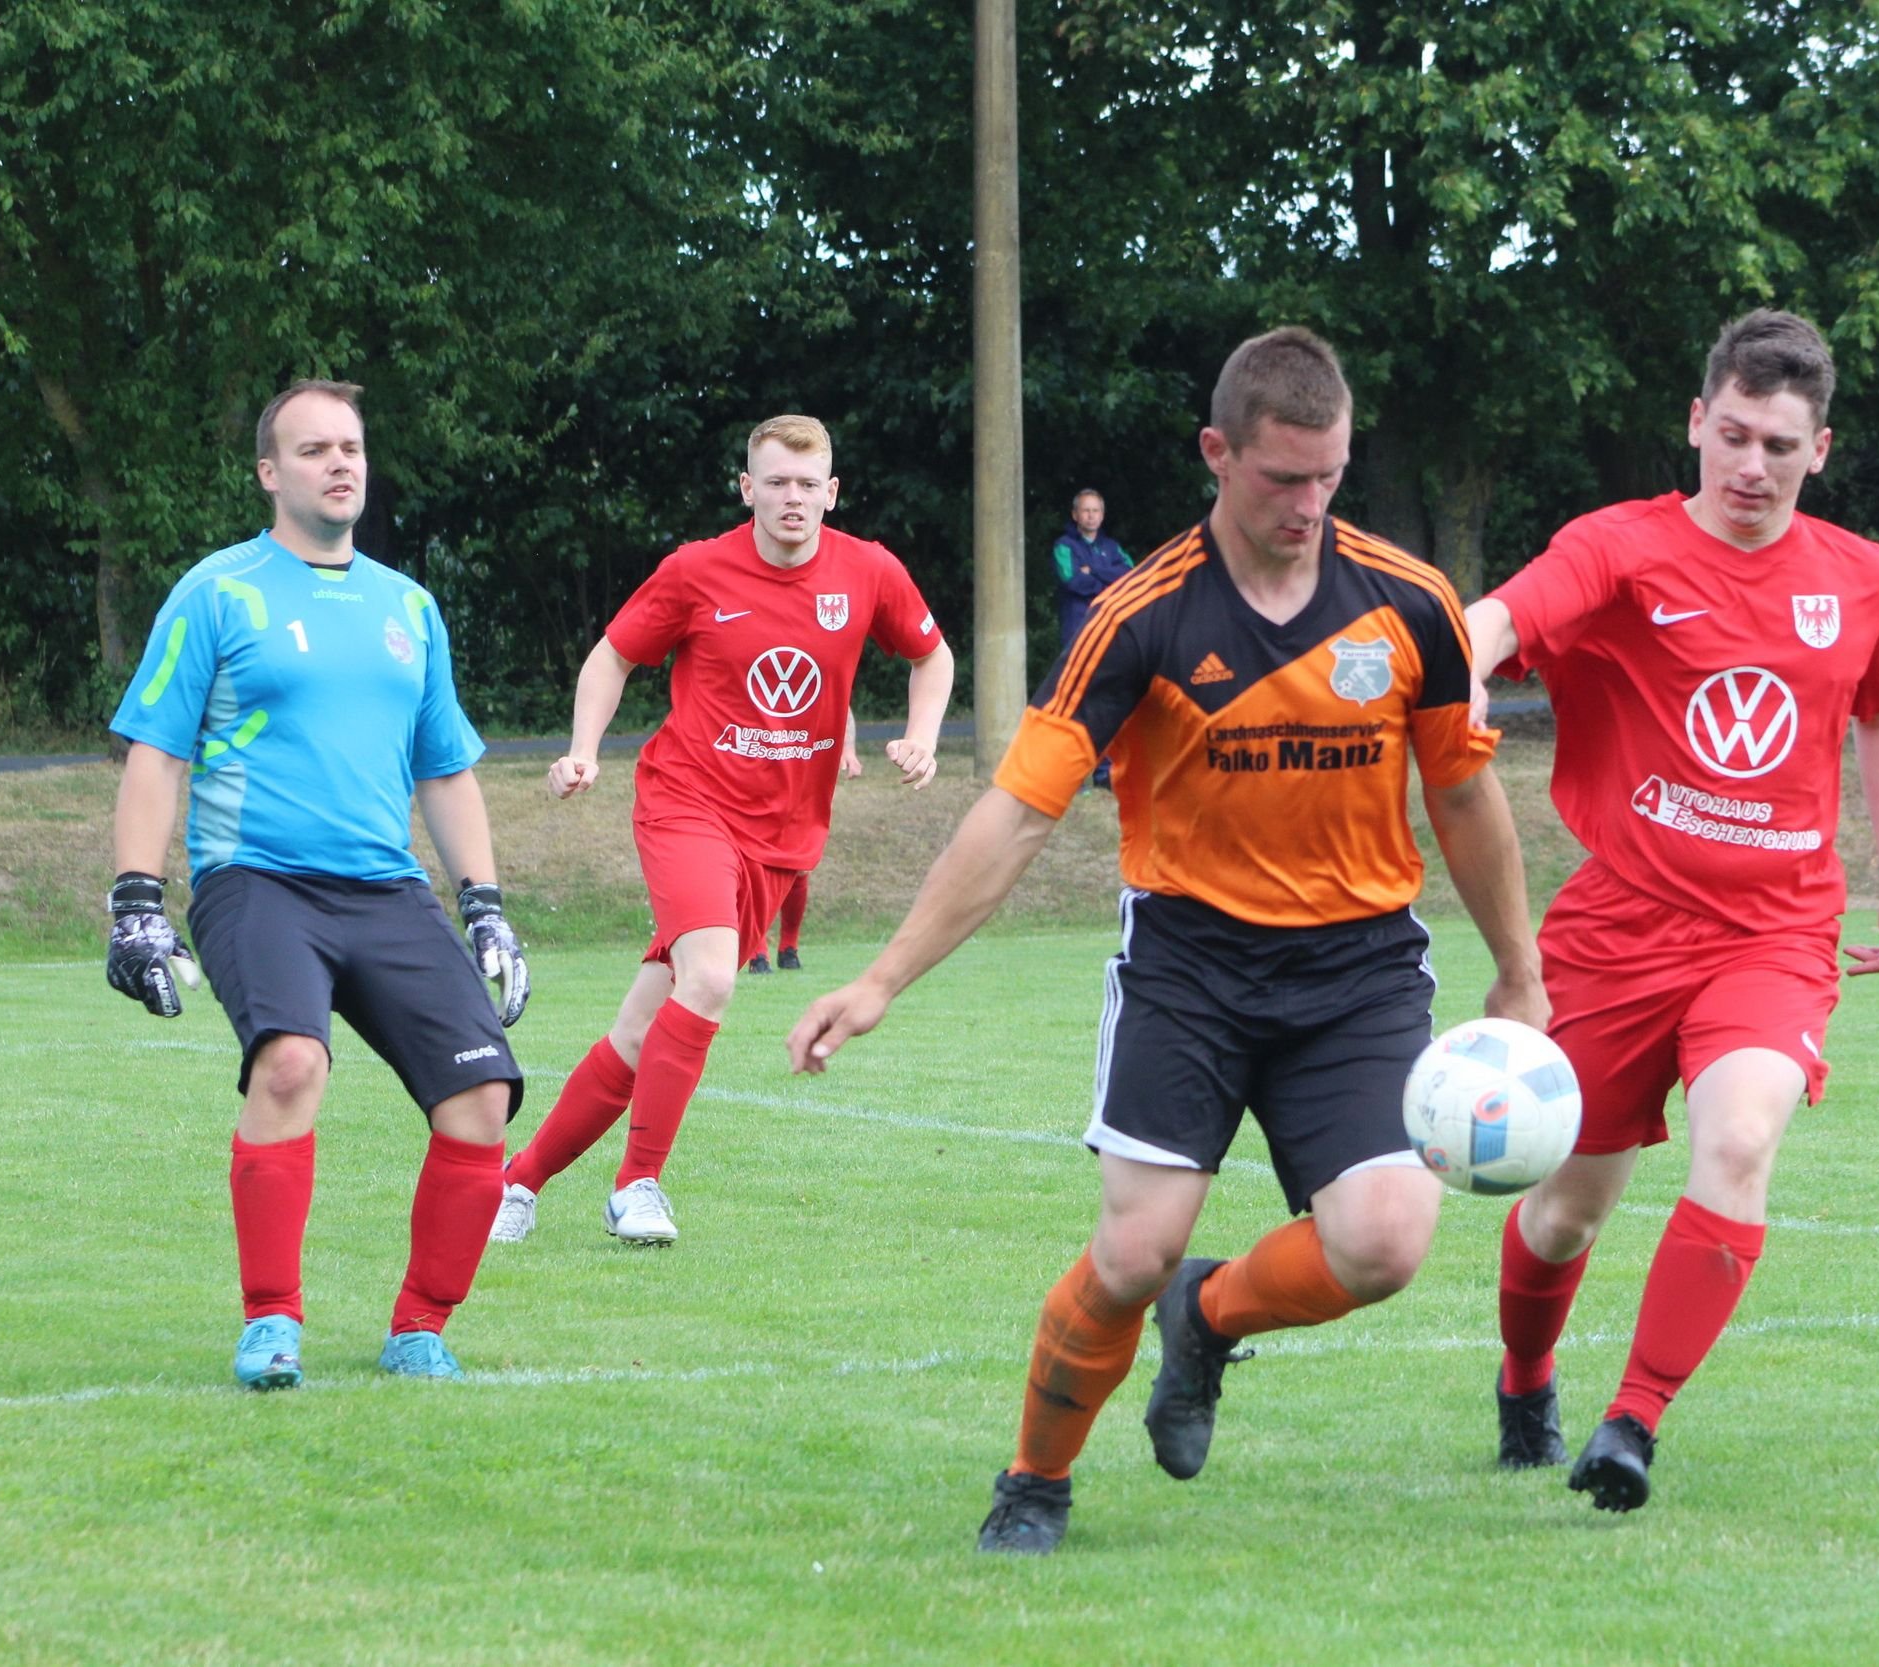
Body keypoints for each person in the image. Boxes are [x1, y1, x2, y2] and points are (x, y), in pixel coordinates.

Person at [788, 327, 1547, 1556]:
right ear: (1216, 452)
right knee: (1132, 1247)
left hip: (1356, 971)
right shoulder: (1138, 615)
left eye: (1329, 477)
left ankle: (1213, 1314)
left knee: (1388, 1239)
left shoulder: (1411, 606)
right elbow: (1018, 811)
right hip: (1189, 966)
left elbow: (1463, 795)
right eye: (1280, 478)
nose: (1307, 505)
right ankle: (1036, 1478)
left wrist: (1519, 966)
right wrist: (881, 978)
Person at [1462, 309, 1879, 1512]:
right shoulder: (1617, 548)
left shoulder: (1858, 577)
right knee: (1565, 1210)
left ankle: (1633, 1422)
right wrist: (1453, 669)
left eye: (1780, 444)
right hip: (1616, 929)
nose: (1752, 466)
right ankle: (1526, 1374)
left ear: (1818, 449)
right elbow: (1499, 620)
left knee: (1737, 1140)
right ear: (1695, 422)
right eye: (1732, 435)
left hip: (1774, 932)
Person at [106, 378, 530, 1390]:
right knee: (291, 1062)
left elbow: (445, 769)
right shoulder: (219, 591)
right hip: (257, 883)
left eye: (351, 446)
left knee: (480, 1095)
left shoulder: (407, 607)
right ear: (269, 472)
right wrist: (135, 900)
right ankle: (271, 1321)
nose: (340, 462)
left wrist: (485, 907)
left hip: (387, 890)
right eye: (313, 449)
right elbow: (157, 756)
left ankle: (420, 1327)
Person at [489, 416, 952, 1248]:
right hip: (686, 802)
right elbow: (611, 656)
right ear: (747, 488)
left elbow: (932, 654)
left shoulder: (869, 570)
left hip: (783, 836)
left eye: (808, 484)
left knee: (642, 1028)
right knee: (708, 977)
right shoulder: (697, 570)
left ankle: (516, 1181)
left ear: (831, 493)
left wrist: (922, 734)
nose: (792, 498)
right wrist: (583, 752)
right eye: (775, 481)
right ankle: (638, 1185)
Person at [747, 712, 862, 975]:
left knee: (800, 864)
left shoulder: (817, 674)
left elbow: (842, 707)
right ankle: (757, 952)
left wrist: (847, 749)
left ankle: (789, 947)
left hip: (806, 775)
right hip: (757, 772)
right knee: (756, 862)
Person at [1054, 491, 1133, 792]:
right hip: (1077, 633)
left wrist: (1095, 571)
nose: (1091, 516)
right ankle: (1076, 775)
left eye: (1096, 510)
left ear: (1102, 514)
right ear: (1075, 515)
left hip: (1109, 633)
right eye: (1085, 511)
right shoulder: (1064, 546)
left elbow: (1128, 576)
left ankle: (1104, 773)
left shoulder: (1111, 547)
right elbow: (1072, 580)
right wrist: (1105, 578)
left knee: (1108, 703)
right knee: (1077, 705)